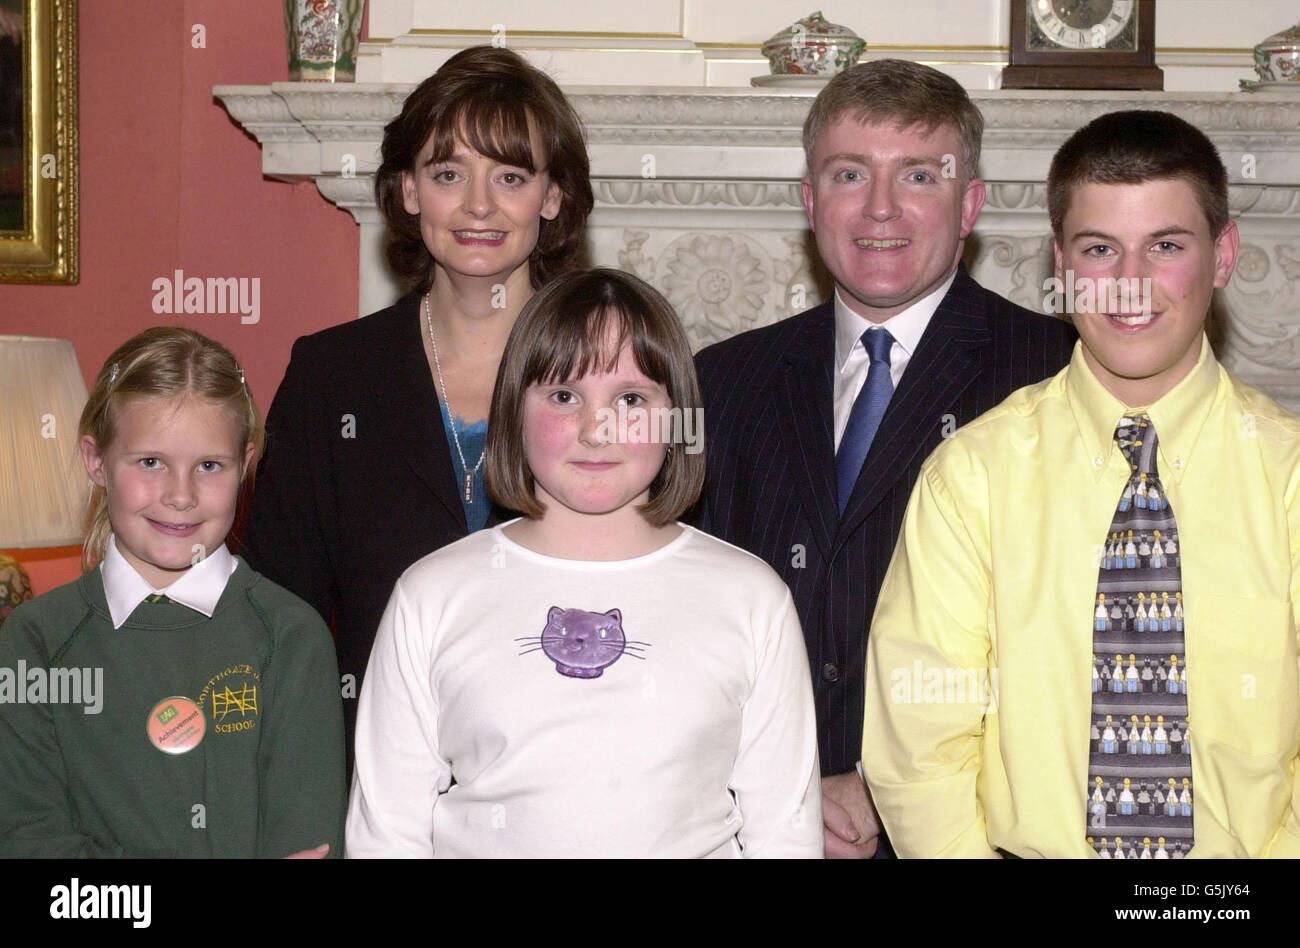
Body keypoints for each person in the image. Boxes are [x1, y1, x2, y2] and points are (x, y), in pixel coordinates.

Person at [862, 109, 1300, 857]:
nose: (1129, 283)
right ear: (1061, 266)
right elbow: (920, 743)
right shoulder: (972, 477)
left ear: (1222, 256)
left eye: (1165, 246)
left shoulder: (1288, 476)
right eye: (1100, 249)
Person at [692, 59, 1076, 857]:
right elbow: (687, 618)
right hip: (750, 825)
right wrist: (783, 785)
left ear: (969, 205)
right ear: (809, 200)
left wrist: (888, 778)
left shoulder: (1055, 374)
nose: (879, 209)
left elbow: (1071, 634)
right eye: (849, 174)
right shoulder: (718, 381)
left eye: (918, 177)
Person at [346, 269, 822, 857]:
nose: (597, 431)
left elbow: (785, 833)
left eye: (630, 398)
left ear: (676, 419)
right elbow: (386, 833)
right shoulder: (432, 593)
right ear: (514, 410)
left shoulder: (752, 597)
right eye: (564, 396)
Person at [243, 46, 594, 766]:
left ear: (551, 198)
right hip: (375, 766)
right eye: (446, 174)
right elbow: (281, 616)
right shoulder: (330, 375)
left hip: (569, 766)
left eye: (511, 176)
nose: (478, 205)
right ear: (407, 192)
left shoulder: (609, 371)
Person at [0, 328, 345, 858]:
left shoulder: (291, 639)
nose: (180, 496)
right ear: (96, 461)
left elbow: (306, 843)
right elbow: (31, 848)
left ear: (246, 464)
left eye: (209, 466)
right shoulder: (36, 644)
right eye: (150, 462)